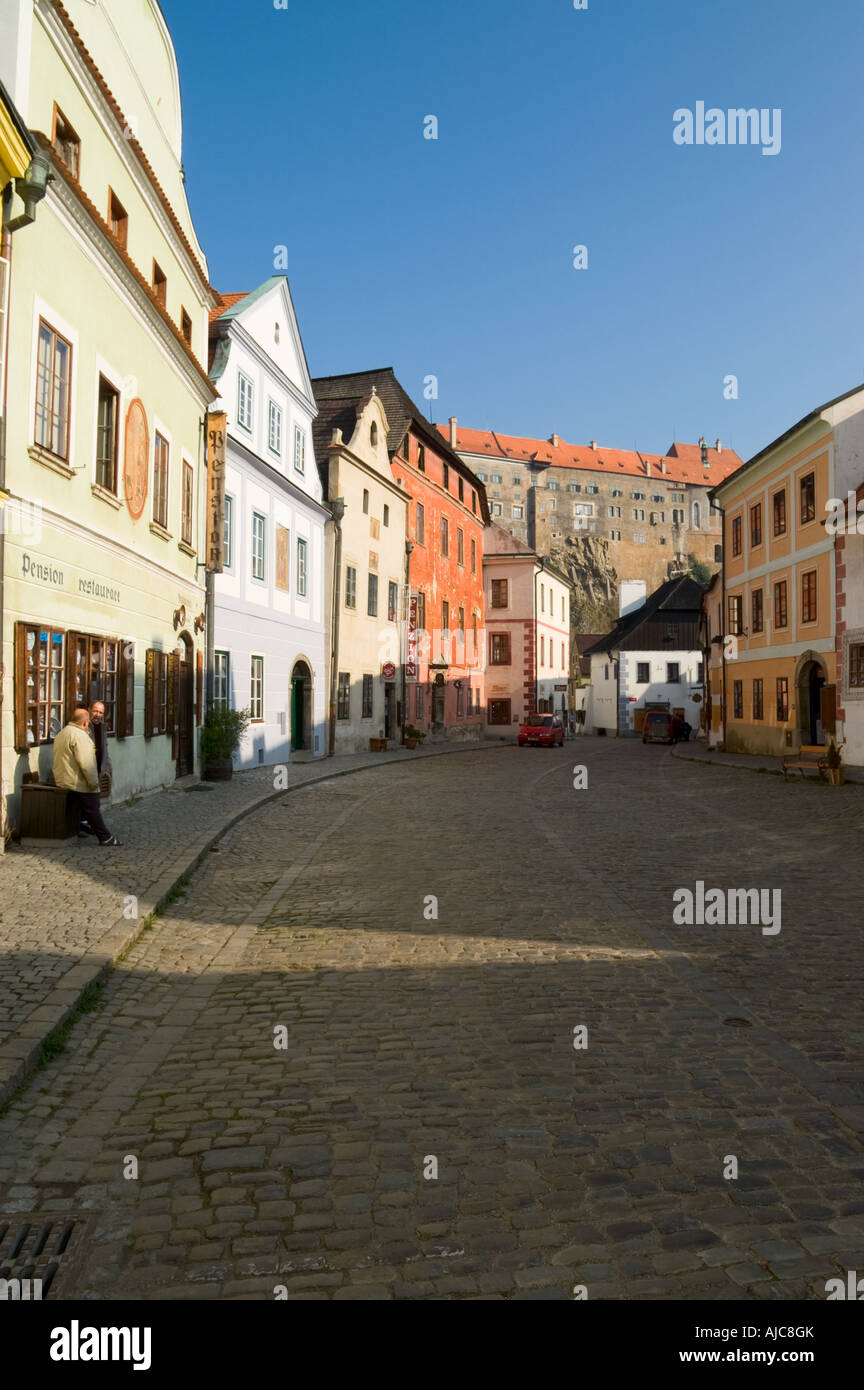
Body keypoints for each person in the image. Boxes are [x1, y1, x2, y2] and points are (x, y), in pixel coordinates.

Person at [53, 708, 122, 847]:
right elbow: (86, 763)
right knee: (93, 809)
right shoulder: (79, 736)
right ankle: (105, 837)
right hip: (78, 781)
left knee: (75, 809)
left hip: (64, 779)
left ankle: (76, 830)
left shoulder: (63, 732)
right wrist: (93, 782)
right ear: (85, 722)